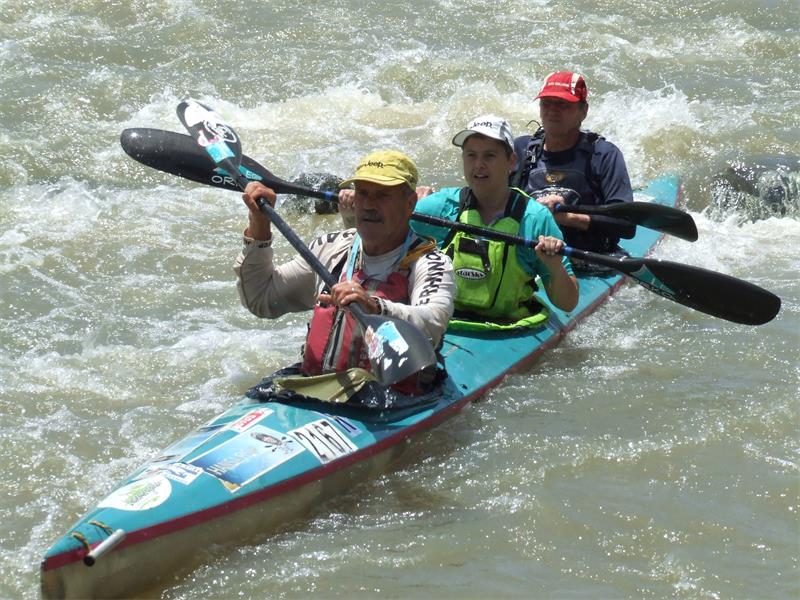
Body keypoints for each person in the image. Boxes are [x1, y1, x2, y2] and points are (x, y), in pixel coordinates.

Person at [234, 150, 455, 396]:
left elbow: (432, 323)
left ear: (410, 203)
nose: (369, 205)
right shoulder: (330, 248)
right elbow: (261, 298)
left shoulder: (431, 262)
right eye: (362, 193)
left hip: (391, 400)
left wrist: (376, 307)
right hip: (319, 387)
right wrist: (259, 227)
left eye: (382, 195)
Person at [376, 115, 579, 323]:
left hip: (509, 327)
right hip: (444, 321)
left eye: (489, 156)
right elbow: (380, 240)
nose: (478, 165)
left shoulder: (535, 219)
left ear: (511, 161)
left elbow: (568, 304)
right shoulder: (439, 206)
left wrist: (554, 267)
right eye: (471, 155)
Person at [511, 71, 636, 254]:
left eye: (562, 104)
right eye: (546, 103)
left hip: (587, 258)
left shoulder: (604, 155)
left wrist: (566, 217)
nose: (552, 111)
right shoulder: (520, 149)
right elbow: (494, 203)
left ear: (583, 111)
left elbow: (626, 225)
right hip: (529, 254)